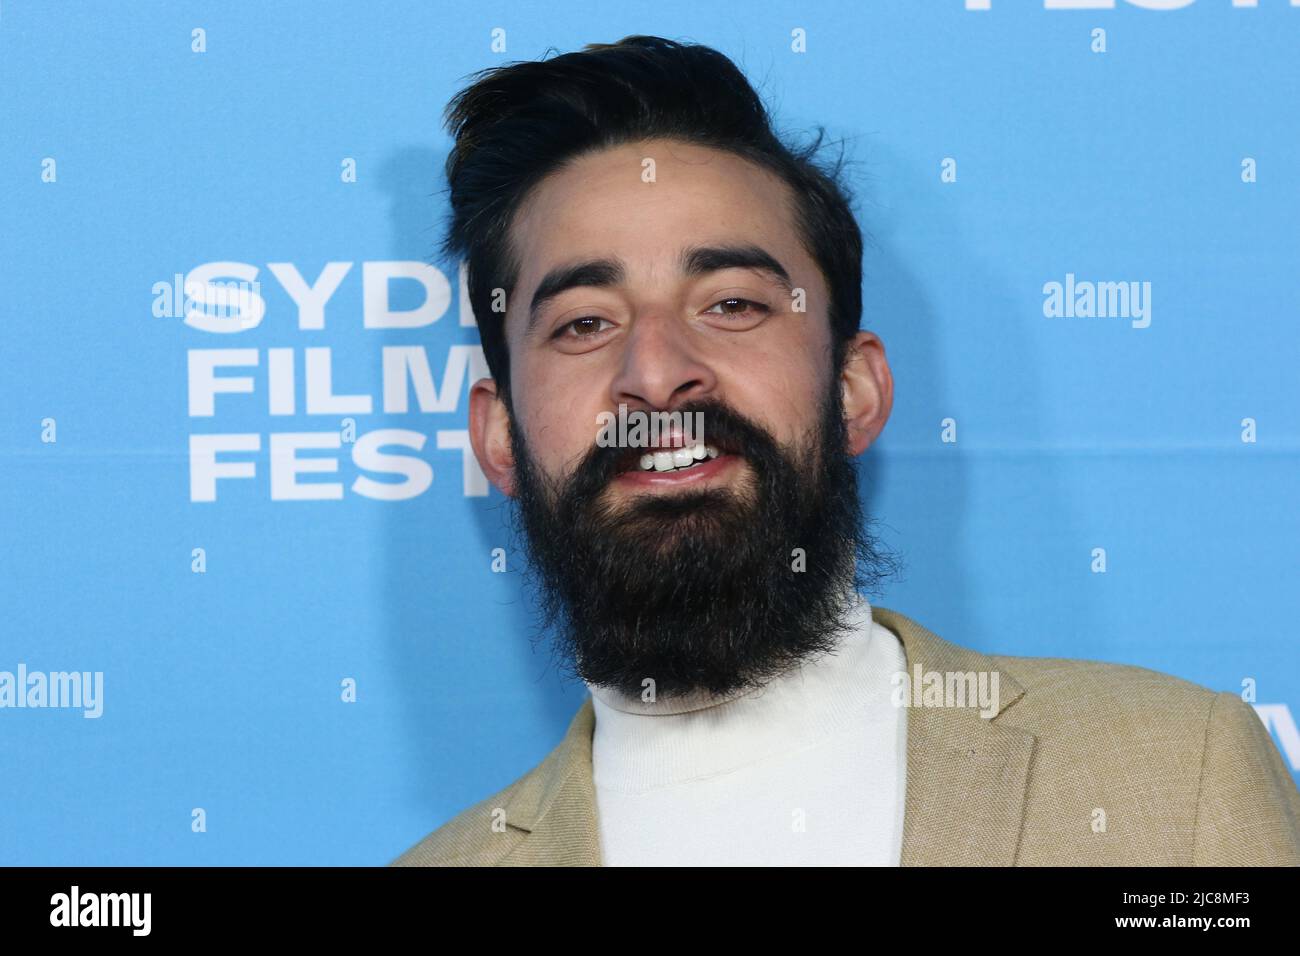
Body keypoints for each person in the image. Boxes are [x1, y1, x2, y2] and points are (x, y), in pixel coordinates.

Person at [392, 35, 1300, 866]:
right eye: (585, 322)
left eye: (734, 304)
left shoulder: (1176, 782)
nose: (658, 375)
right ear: (498, 435)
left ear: (854, 389)